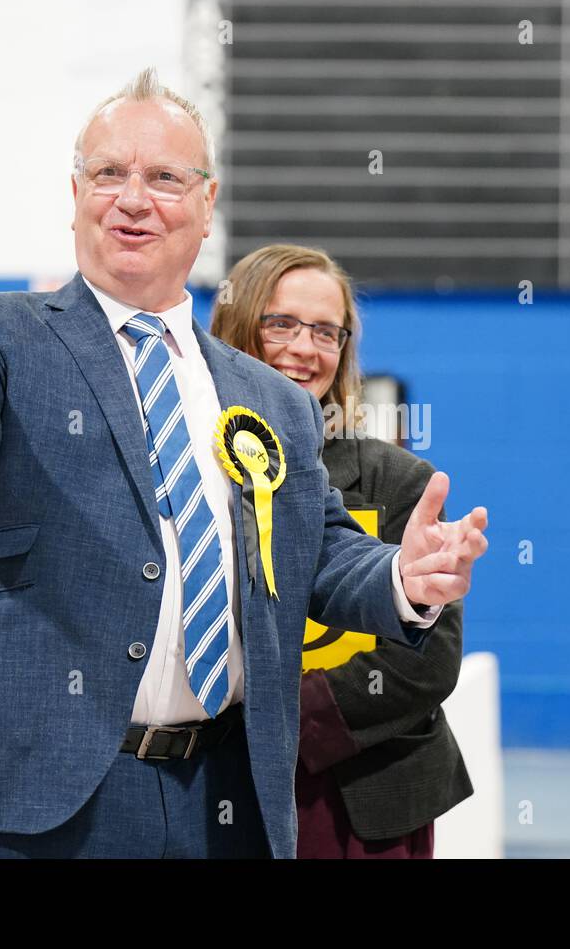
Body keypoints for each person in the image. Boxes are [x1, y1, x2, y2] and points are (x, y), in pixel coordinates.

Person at [0, 68, 488, 858]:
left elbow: (319, 554)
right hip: (26, 804)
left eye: (162, 177)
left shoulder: (272, 401)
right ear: (76, 192)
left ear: (206, 202)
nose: (132, 197)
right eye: (109, 173)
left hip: (215, 802)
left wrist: (403, 577)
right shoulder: (4, 335)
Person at [211, 244, 473, 858]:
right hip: (218, 786)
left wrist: (273, 720)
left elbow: (425, 661)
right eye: (281, 324)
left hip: (364, 799)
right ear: (234, 327)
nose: (306, 348)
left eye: (327, 332)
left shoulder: (400, 481)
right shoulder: (187, 470)